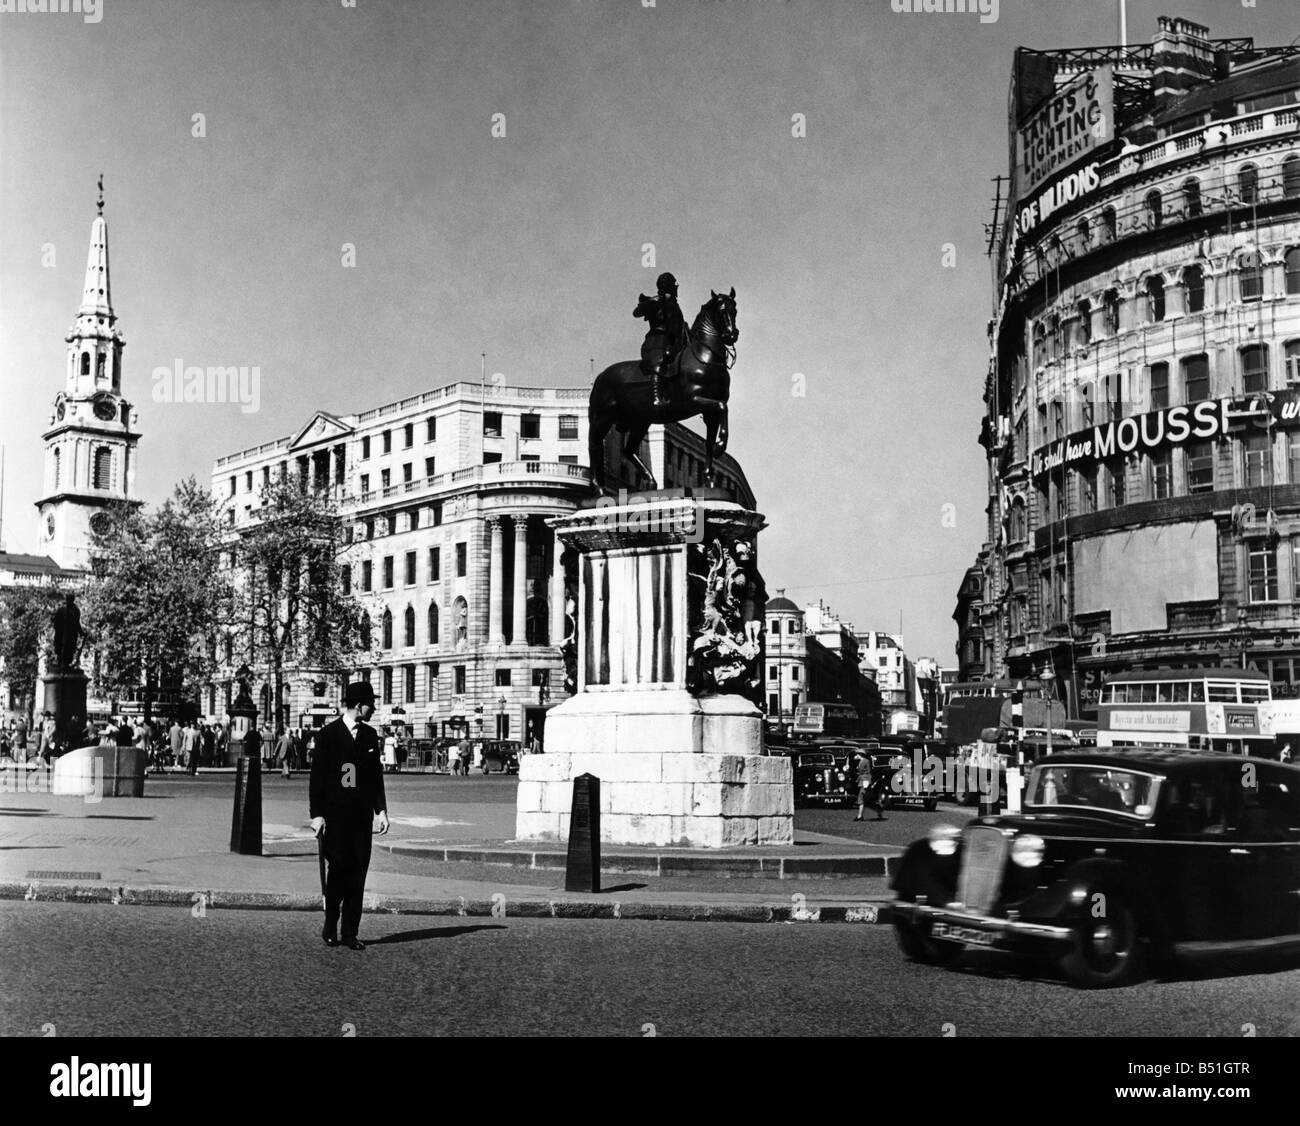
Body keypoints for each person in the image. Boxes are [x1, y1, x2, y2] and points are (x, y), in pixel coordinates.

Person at [309, 680, 389, 950]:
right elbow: (317, 778)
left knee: (358, 874)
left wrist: (381, 810)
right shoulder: (328, 735)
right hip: (336, 817)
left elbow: (375, 777)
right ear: (358, 705)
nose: (374, 708)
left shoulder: (369, 736)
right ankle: (330, 924)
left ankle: (350, 932)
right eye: (371, 703)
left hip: (361, 818)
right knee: (339, 872)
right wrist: (317, 814)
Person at [636, 271, 688, 410]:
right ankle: (656, 397)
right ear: (669, 286)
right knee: (659, 362)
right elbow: (636, 313)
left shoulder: (673, 303)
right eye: (674, 284)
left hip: (672, 340)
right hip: (656, 341)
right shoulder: (657, 301)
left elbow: (678, 324)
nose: (676, 287)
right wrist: (652, 301)